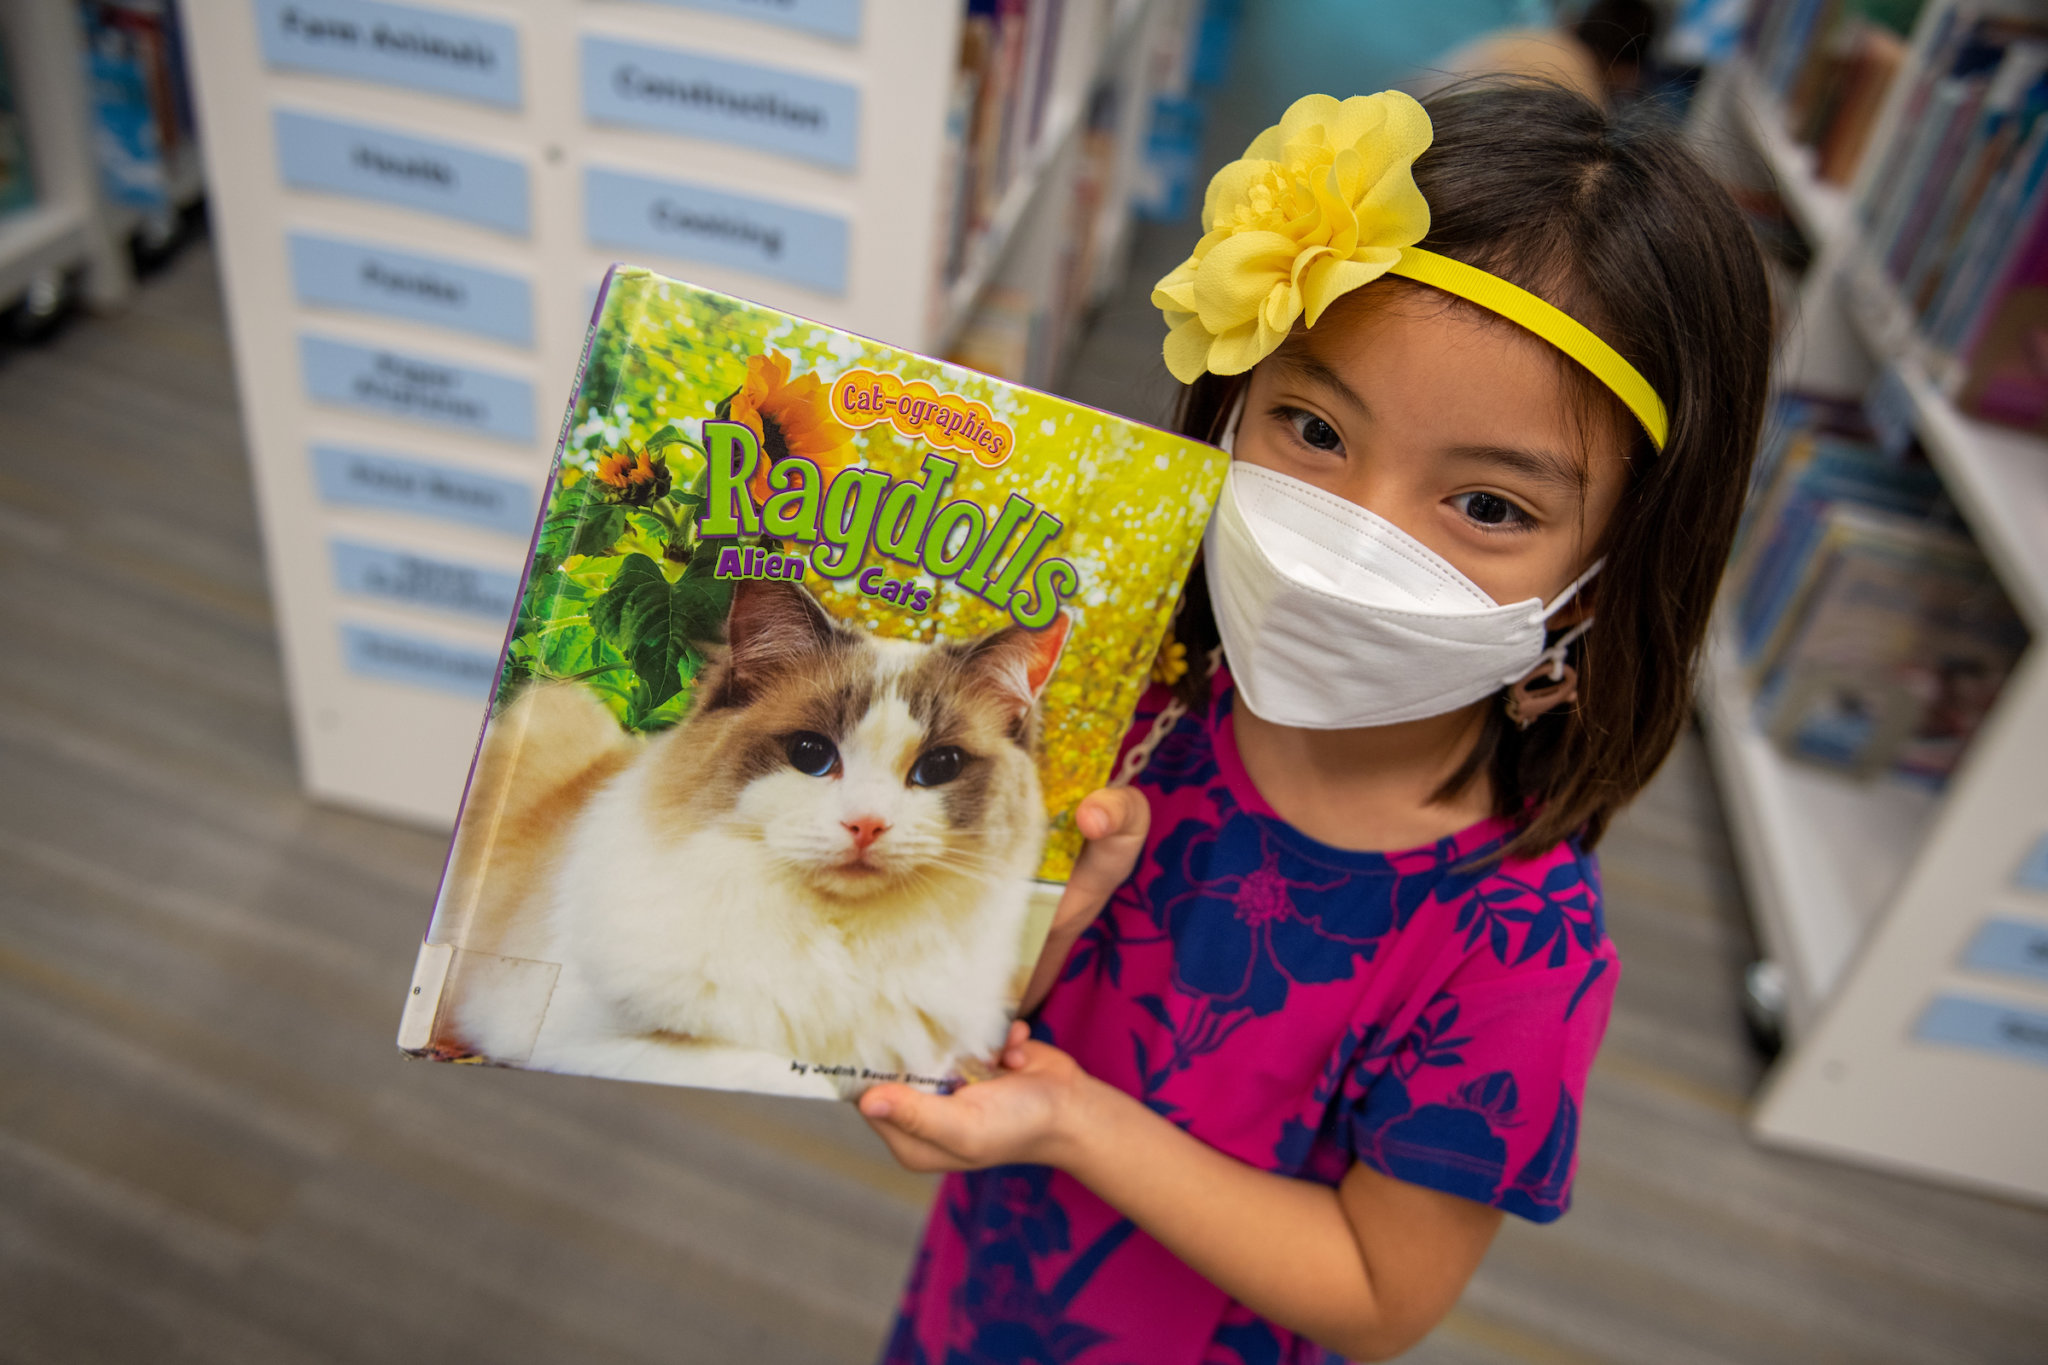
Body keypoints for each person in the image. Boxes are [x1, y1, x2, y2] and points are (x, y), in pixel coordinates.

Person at [860, 78, 1771, 1363]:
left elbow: (1377, 1291)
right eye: (1313, 429)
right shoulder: (1126, 710)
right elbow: (962, 1011)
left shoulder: (1514, 947)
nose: (1358, 539)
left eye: (1490, 507)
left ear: (1614, 570)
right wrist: (1015, 940)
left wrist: (1075, 1127)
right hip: (977, 1302)